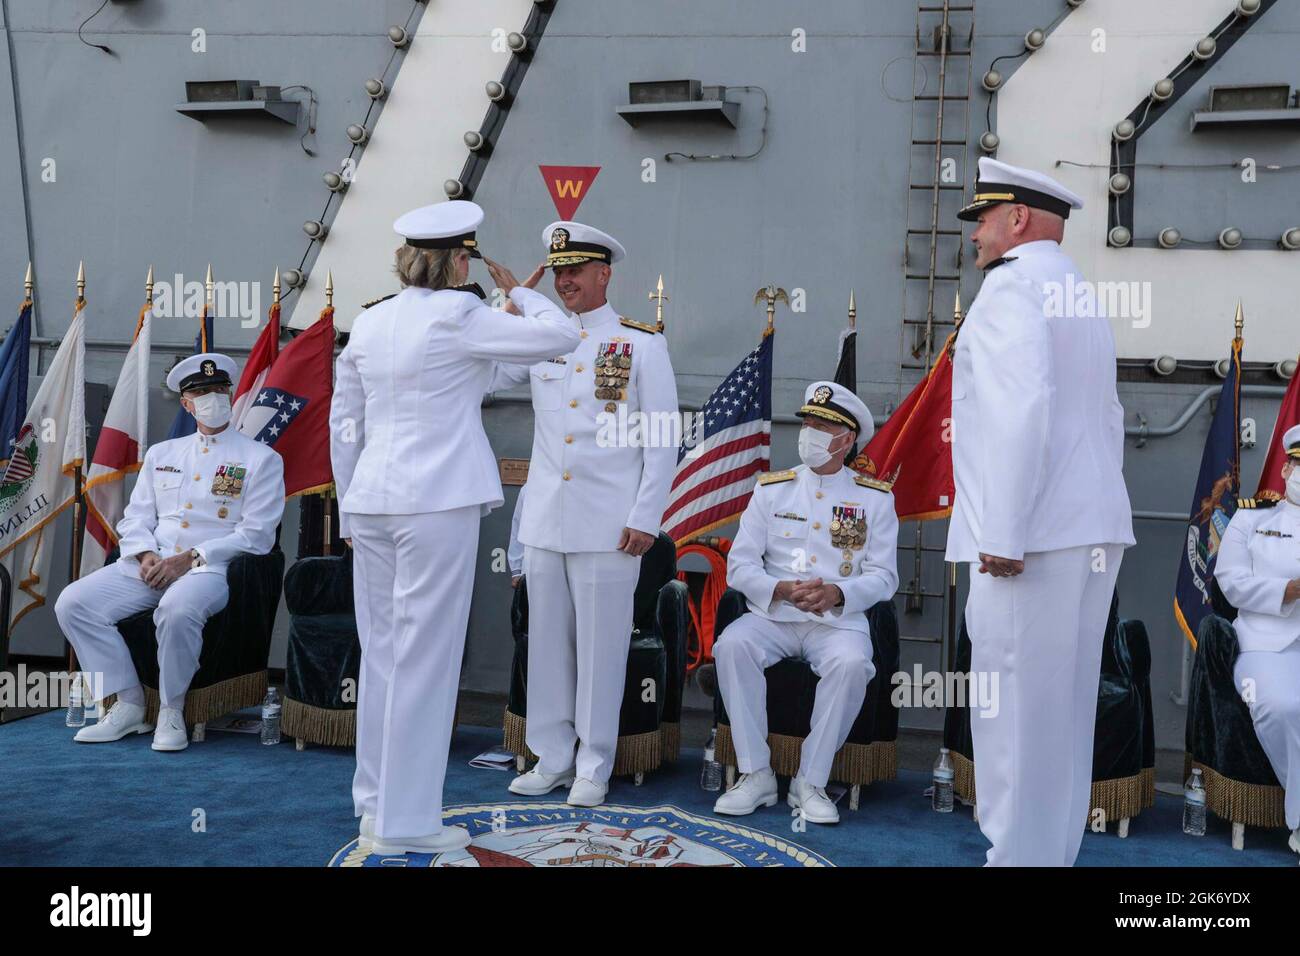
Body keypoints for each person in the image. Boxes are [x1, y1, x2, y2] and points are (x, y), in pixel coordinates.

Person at [330, 200, 580, 856]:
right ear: (456, 260)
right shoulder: (461, 312)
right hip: (435, 502)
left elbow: (346, 419)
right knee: (427, 661)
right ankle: (407, 822)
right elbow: (562, 338)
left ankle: (374, 803)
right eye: (467, 256)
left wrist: (352, 506)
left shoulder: (373, 319)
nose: (472, 264)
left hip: (375, 502)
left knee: (384, 656)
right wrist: (522, 299)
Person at [948, 157, 1135, 866]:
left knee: (1013, 711)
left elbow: (1019, 413)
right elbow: (1108, 419)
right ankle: (1048, 856)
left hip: (1025, 534)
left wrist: (1004, 529)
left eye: (982, 220)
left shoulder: (1010, 290)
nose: (975, 237)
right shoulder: (1078, 291)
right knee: (1062, 710)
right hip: (1087, 528)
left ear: (1017, 218)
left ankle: (1015, 859)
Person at [493, 220, 678, 808]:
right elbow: (489, 377)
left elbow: (661, 437)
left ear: (604, 274)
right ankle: (551, 755)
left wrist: (646, 514)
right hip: (547, 519)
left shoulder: (640, 343)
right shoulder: (541, 339)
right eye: (558, 270)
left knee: (601, 648)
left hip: (609, 522)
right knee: (546, 642)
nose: (565, 279)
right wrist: (507, 316)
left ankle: (595, 763)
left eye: (576, 269)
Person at [56, 353, 285, 753]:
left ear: (230, 395)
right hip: (153, 565)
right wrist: (143, 554)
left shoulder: (260, 459)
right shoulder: (163, 455)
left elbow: (258, 536)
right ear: (186, 403)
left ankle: (171, 710)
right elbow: (137, 517)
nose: (212, 397)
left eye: (219, 389)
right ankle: (128, 704)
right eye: (200, 391)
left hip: (208, 571)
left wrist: (190, 559)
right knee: (73, 603)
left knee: (177, 610)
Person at [711, 381, 898, 824]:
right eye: (808, 423)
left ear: (846, 439)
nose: (809, 431)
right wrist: (777, 589)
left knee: (853, 665)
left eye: (821, 425)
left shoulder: (874, 498)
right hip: (774, 615)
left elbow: (885, 576)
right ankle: (756, 774)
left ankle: (809, 781)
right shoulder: (772, 488)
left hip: (837, 622)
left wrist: (838, 593)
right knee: (731, 645)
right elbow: (739, 566)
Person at [1213, 423, 1300, 859]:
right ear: (1285, 469)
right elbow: (1230, 582)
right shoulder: (1252, 518)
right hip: (1266, 644)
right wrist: (1288, 590)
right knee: (1283, 706)